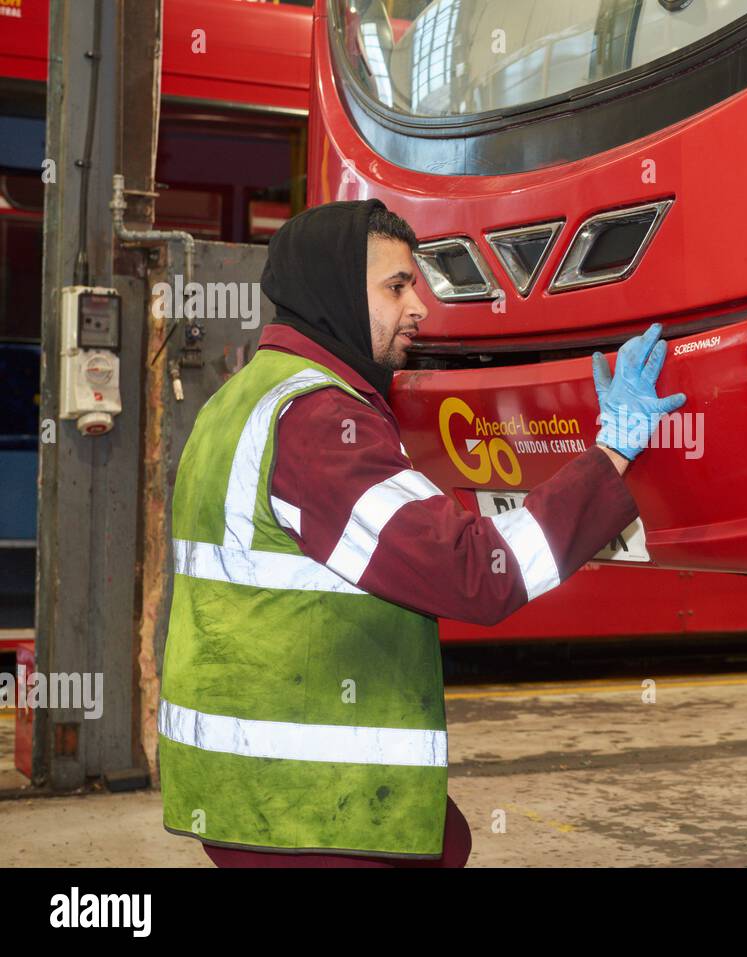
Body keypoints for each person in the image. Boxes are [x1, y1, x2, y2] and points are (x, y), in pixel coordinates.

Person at [157, 199, 685, 867]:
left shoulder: (240, 400)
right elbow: (476, 572)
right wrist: (611, 454)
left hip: (248, 788)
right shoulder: (319, 421)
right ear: (338, 291)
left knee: (444, 841)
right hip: (308, 807)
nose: (420, 309)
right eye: (396, 286)